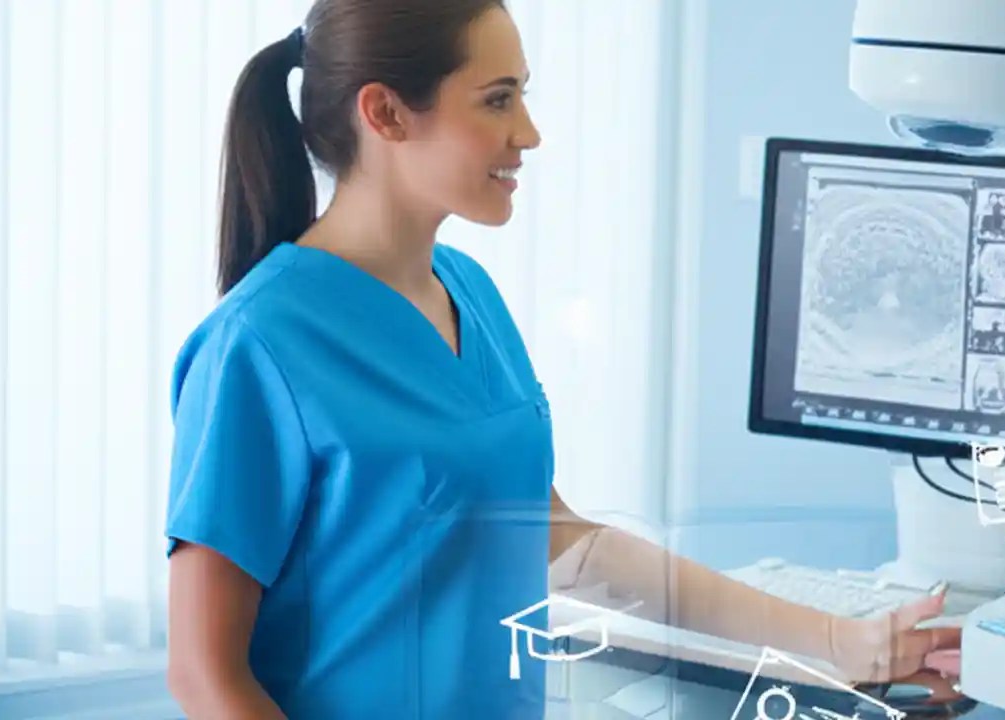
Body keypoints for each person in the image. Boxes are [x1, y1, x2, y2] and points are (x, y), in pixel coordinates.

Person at [162, 1, 961, 717]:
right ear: (387, 113)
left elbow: (556, 538)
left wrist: (835, 639)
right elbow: (206, 676)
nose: (528, 133)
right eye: (497, 99)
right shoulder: (260, 344)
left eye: (523, 96)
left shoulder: (467, 292)